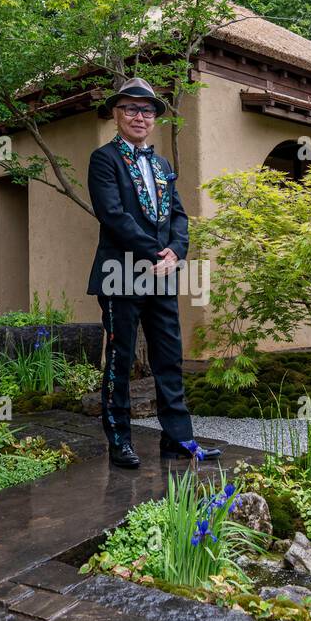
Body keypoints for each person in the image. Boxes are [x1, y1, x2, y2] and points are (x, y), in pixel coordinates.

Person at [86, 76, 222, 468]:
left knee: (168, 357)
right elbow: (113, 215)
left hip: (162, 274)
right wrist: (153, 252)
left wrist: (175, 255)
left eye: (147, 110)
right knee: (120, 359)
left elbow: (179, 217)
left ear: (155, 118)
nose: (140, 116)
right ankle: (120, 441)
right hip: (120, 272)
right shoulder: (104, 159)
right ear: (117, 114)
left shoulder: (161, 164)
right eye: (131, 108)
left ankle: (178, 440)